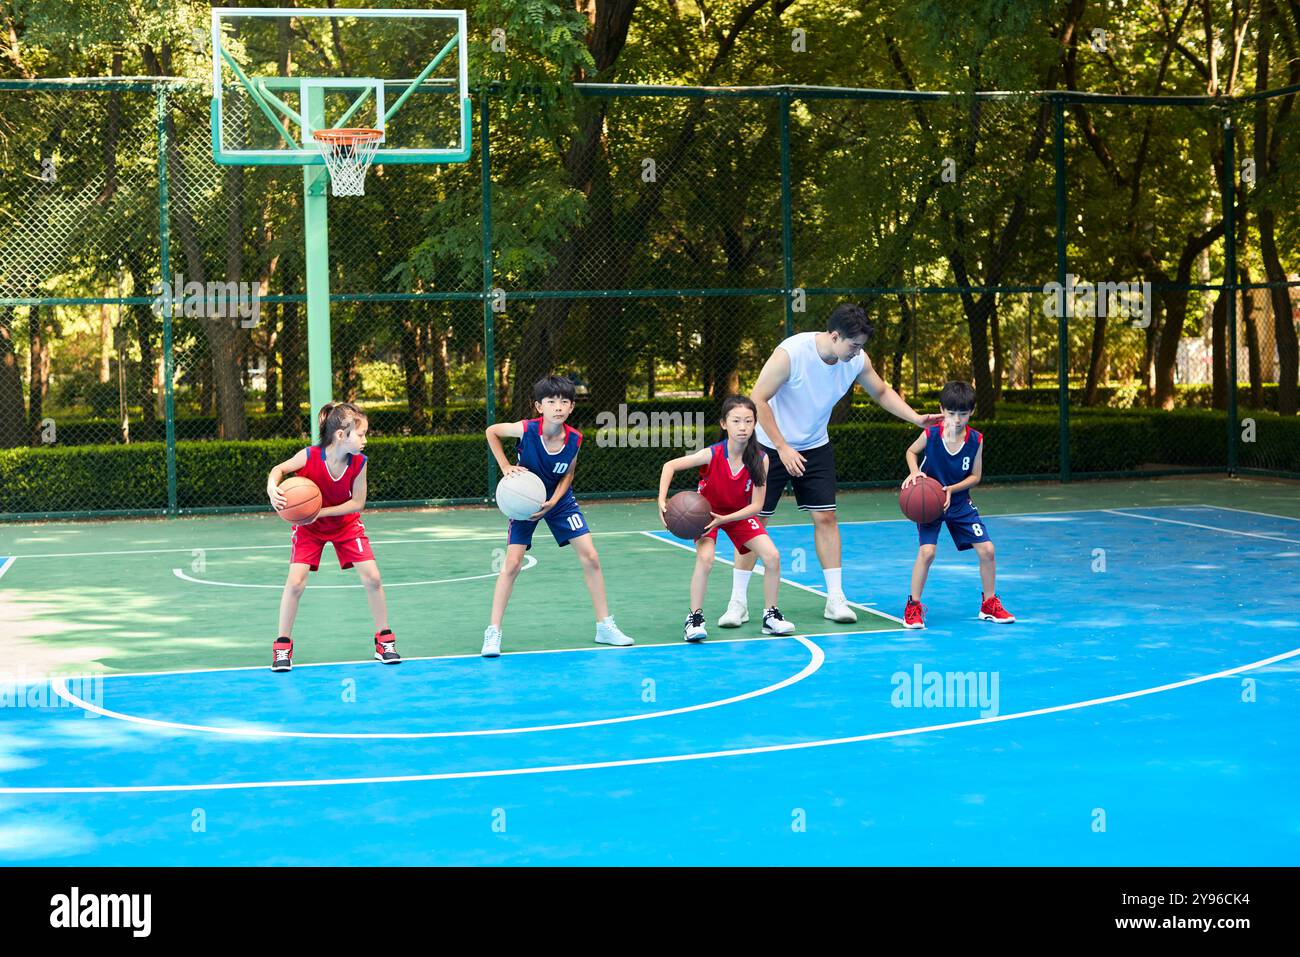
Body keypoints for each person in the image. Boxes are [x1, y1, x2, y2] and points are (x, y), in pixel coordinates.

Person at [724, 302, 941, 628]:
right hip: (769, 444)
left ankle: (835, 599)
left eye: (861, 346)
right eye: (854, 345)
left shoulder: (855, 360)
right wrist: (782, 447)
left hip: (814, 445)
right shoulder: (791, 354)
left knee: (826, 516)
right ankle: (737, 603)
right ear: (835, 336)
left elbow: (881, 391)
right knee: (755, 523)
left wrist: (916, 418)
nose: (857, 352)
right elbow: (758, 399)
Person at [481, 375, 634, 657]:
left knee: (591, 556)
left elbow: (569, 472)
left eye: (565, 401)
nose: (558, 406)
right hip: (524, 500)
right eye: (551, 401)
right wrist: (504, 466)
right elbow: (492, 431)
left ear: (572, 407)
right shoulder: (526, 430)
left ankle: (604, 625)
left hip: (559, 501)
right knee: (512, 564)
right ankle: (493, 632)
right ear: (539, 406)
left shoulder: (574, 438)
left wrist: (553, 501)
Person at [265, 402, 397, 672]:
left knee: (373, 577)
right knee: (296, 582)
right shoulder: (309, 456)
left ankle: (384, 641)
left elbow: (358, 503)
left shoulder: (359, 463)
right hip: (309, 528)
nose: (365, 440)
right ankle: (282, 645)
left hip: (344, 524)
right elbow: (278, 470)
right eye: (361, 435)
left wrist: (321, 511)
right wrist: (271, 486)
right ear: (340, 435)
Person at [657, 396, 795, 643]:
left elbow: (757, 505)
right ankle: (694, 619)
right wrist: (661, 500)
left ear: (755, 424)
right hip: (707, 515)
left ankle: (770, 615)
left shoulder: (760, 458)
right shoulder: (712, 454)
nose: (742, 427)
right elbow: (670, 466)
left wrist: (727, 519)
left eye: (748, 421)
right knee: (706, 558)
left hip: (737, 514)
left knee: (772, 556)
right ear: (724, 424)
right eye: (736, 421)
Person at [900, 380, 1015, 629]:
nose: (956, 419)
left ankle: (989, 604)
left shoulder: (975, 439)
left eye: (963, 413)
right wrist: (914, 474)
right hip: (930, 503)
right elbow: (911, 452)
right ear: (941, 410)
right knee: (927, 553)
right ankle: (913, 606)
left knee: (988, 550)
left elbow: (975, 476)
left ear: (972, 411)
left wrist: (952, 489)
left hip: (960, 502)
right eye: (951, 413)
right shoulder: (931, 434)